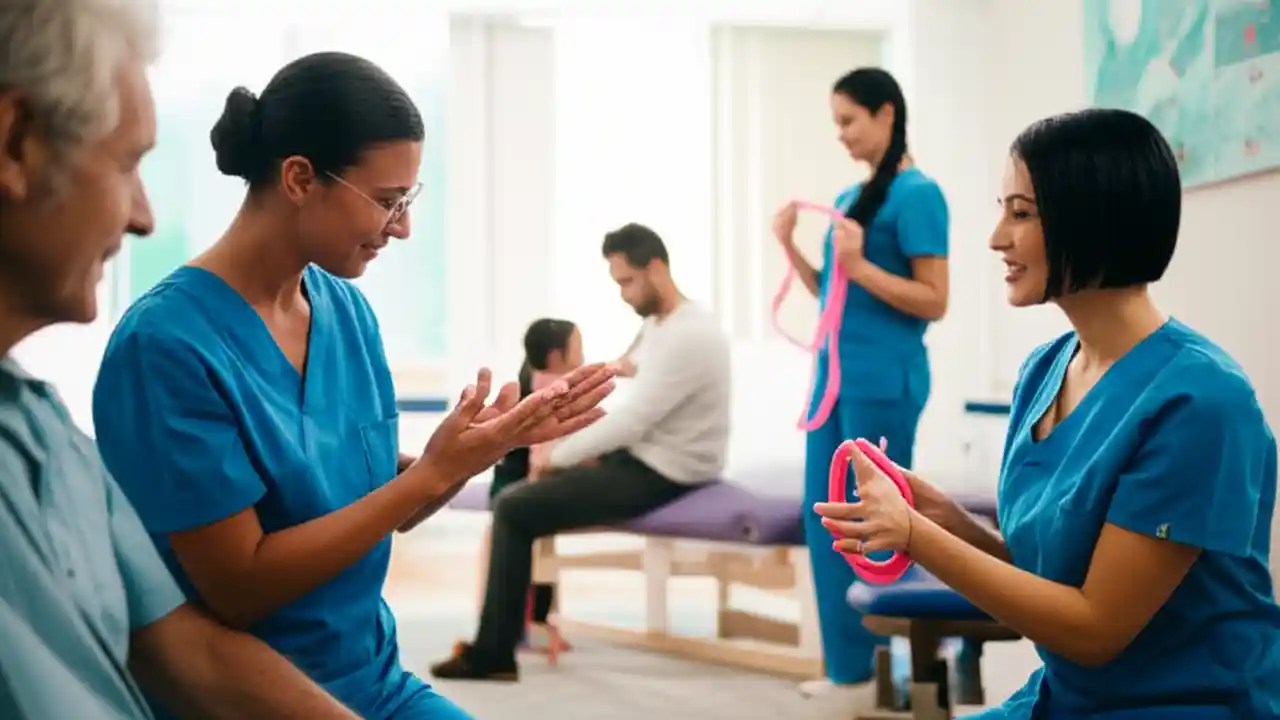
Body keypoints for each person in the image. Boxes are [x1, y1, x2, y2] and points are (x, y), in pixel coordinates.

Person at [90, 51, 615, 720]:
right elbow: (241, 587)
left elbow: (379, 505)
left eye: (408, 201)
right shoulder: (166, 346)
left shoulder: (345, 311)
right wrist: (429, 474)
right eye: (388, 202)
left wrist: (478, 452)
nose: (402, 228)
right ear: (300, 178)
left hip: (372, 679)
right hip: (249, 701)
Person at [817, 108, 1280, 718]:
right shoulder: (1047, 369)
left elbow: (1094, 629)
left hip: (1187, 704)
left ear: (1095, 218)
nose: (995, 238)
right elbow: (1051, 579)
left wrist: (914, 537)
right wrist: (948, 520)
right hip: (1070, 699)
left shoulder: (1201, 403)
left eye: (1021, 213)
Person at [0, 2, 373, 718]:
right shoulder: (165, 342)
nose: (143, 216)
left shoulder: (48, 438)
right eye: (126, 164)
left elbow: (187, 649)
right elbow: (236, 589)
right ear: (15, 144)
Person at [430, 222, 732, 681]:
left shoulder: (690, 334)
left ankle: (494, 654)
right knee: (520, 488)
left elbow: (634, 421)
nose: (623, 295)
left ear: (655, 269)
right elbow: (632, 372)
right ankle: (513, 629)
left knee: (513, 507)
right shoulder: (660, 325)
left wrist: (555, 457)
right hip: (645, 455)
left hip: (665, 471)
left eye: (626, 282)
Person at [770, 67, 950, 696]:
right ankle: (846, 669)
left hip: (884, 382)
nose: (841, 134)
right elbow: (834, 294)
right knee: (825, 518)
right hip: (832, 383)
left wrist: (858, 265)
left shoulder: (919, 194)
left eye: (849, 120)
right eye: (836, 123)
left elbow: (934, 299)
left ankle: (882, 674)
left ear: (886, 115)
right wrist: (792, 248)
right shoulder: (850, 200)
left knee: (873, 522)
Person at [487, 317, 585, 656]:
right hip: (520, 483)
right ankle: (531, 627)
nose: (583, 355)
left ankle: (535, 625)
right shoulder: (553, 388)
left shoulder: (534, 375)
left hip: (512, 481)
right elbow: (541, 454)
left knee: (539, 558)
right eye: (578, 348)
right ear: (557, 356)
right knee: (531, 560)